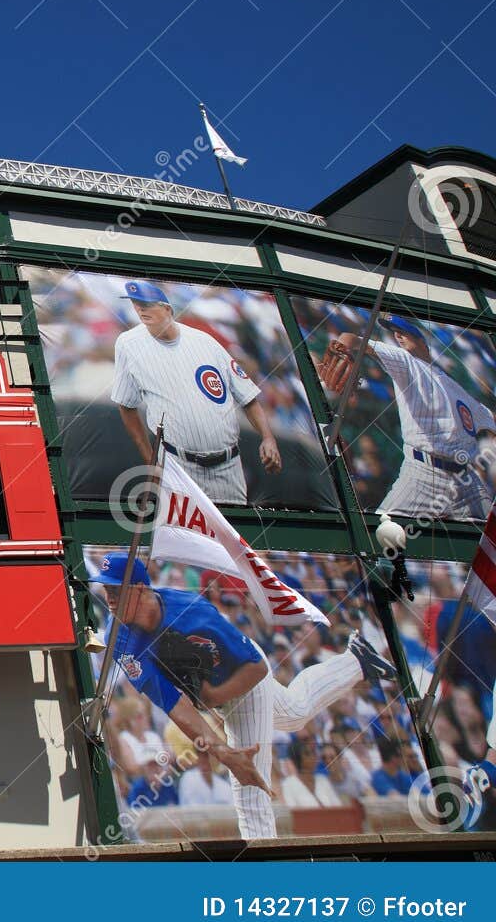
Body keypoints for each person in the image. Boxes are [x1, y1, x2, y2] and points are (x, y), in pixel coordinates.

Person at [93, 551, 395, 840]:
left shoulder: (193, 613)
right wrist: (220, 750)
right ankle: (357, 660)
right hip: (216, 691)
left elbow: (256, 668)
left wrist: (214, 701)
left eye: (116, 590)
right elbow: (172, 703)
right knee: (293, 712)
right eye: (106, 590)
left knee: (247, 781)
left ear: (140, 588)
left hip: (242, 674)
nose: (110, 599)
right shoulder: (119, 637)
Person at [109, 280, 281, 505]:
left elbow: (247, 396)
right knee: (184, 537)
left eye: (147, 304)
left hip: (227, 467)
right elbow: (126, 405)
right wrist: (150, 458)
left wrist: (268, 438)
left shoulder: (204, 341)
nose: (140, 310)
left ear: (167, 309)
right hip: (178, 466)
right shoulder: (128, 343)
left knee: (232, 535)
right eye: (136, 304)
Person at [336, 316, 496, 520]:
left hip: (465, 479)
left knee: (489, 540)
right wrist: (342, 347)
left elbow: (490, 419)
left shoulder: (455, 387)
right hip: (424, 472)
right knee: (383, 535)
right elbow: (353, 339)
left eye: (403, 330)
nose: (398, 335)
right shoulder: (405, 361)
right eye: (394, 331)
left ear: (422, 339)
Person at [280, 735, 342, 808]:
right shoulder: (288, 784)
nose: (314, 756)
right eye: (308, 754)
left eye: (313, 752)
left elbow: (338, 807)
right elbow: (293, 813)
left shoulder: (322, 779)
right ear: (298, 759)